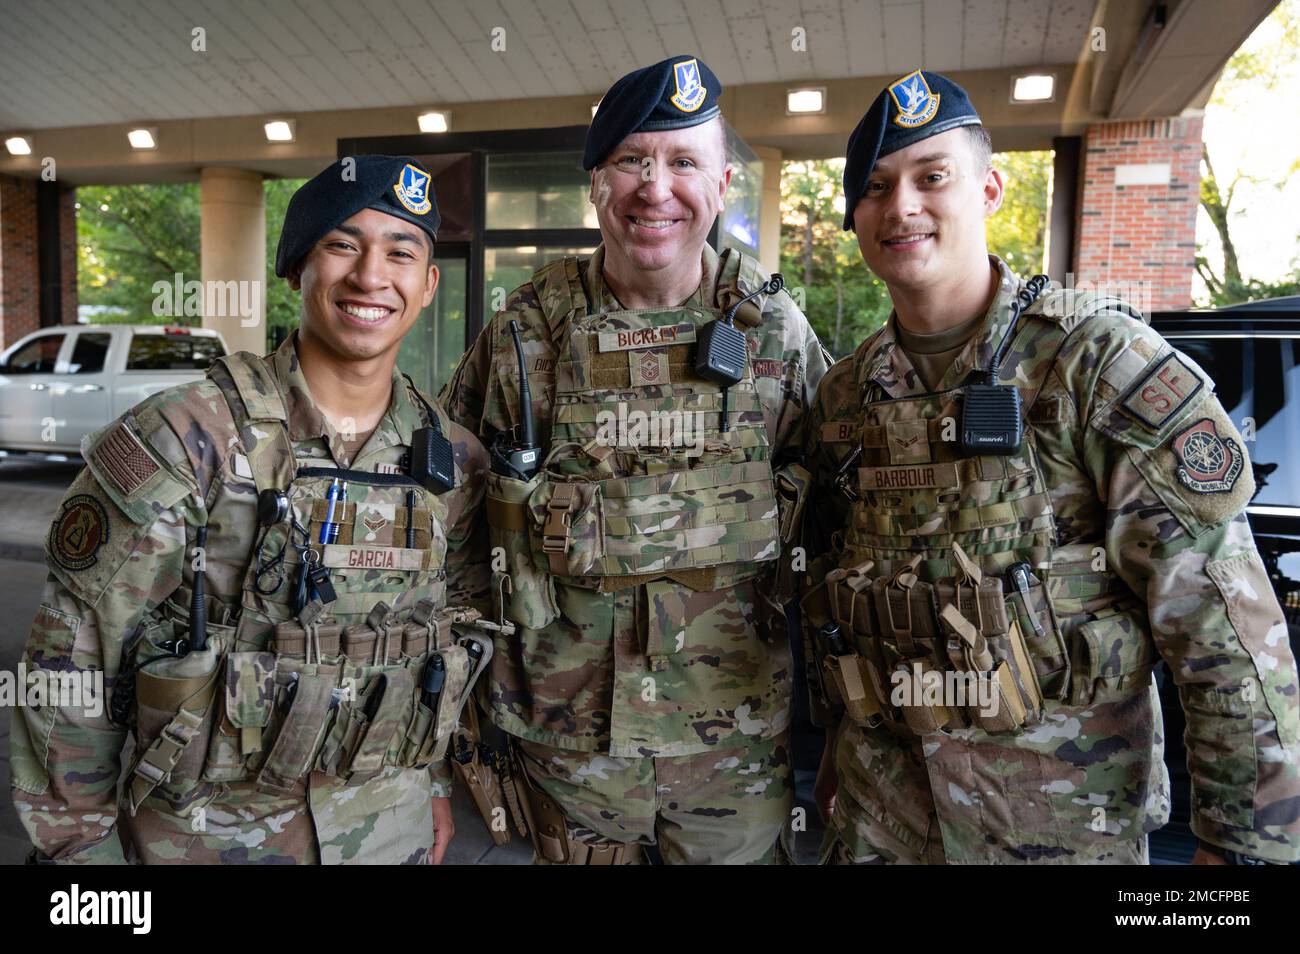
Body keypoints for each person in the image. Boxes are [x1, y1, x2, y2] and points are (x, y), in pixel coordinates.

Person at [801, 69, 1300, 864]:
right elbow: (841, 608)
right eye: (876, 188)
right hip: (880, 827)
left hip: (1060, 835)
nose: (901, 207)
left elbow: (1221, 624)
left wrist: (1243, 848)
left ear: (990, 189)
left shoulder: (1097, 365)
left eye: (933, 178)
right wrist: (832, 756)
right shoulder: (845, 397)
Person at [9, 155, 491, 864]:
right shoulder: (186, 439)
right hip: (206, 841)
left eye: (401, 251)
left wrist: (436, 782)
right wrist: (82, 861)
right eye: (342, 244)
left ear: (427, 286)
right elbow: (73, 659)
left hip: (388, 833)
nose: (370, 276)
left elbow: (436, 650)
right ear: (296, 268)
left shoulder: (451, 461)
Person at [441, 55, 831, 864]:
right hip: (563, 750)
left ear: (722, 185)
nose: (656, 188)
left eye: (683, 161)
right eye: (631, 160)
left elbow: (837, 528)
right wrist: (450, 728)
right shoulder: (523, 333)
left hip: (732, 748)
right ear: (595, 183)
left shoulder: (776, 335)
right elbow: (448, 528)